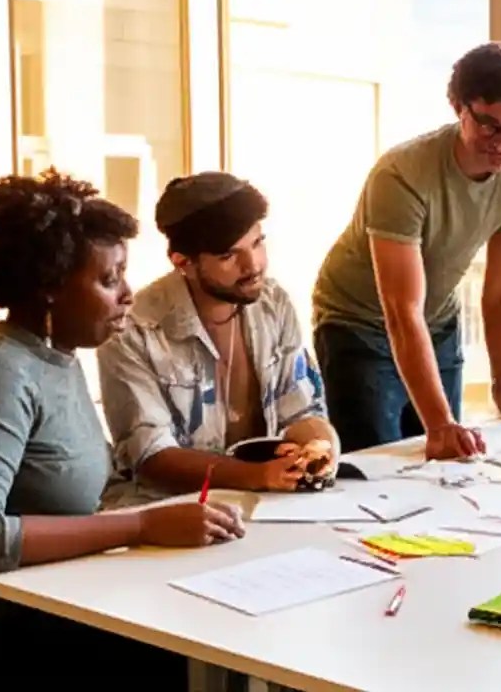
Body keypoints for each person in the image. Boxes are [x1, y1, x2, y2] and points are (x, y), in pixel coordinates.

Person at [0, 170, 245, 691]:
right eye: (108, 280)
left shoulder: (57, 357)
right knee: (185, 664)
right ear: (50, 288)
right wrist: (143, 528)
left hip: (38, 599)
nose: (127, 294)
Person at [312, 41, 501, 459]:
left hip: (437, 325)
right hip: (359, 326)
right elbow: (401, 311)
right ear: (460, 108)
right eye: (490, 126)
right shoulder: (401, 175)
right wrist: (438, 423)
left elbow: (500, 292)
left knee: (448, 462)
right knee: (378, 468)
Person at [99, 171, 338, 508]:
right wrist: (257, 476)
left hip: (273, 504)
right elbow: (152, 454)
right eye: (229, 256)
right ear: (184, 262)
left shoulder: (273, 302)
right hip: (172, 509)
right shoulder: (134, 329)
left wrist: (319, 450)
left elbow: (304, 409)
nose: (253, 265)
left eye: (257, 243)